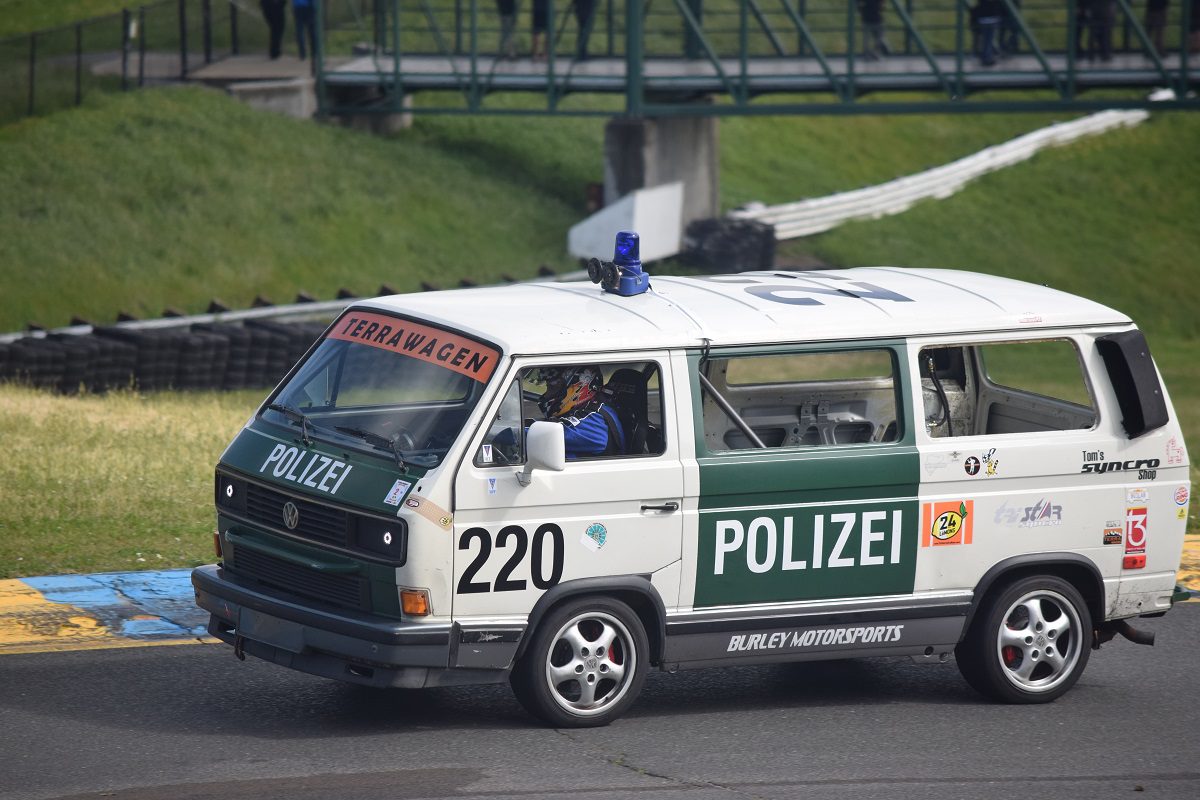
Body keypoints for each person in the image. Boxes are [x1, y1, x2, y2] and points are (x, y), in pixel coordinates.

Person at [536, 365, 625, 457]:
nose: (546, 396)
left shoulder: (596, 421)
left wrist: (521, 431)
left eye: (553, 388)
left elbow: (552, 434)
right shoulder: (585, 408)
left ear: (578, 387)